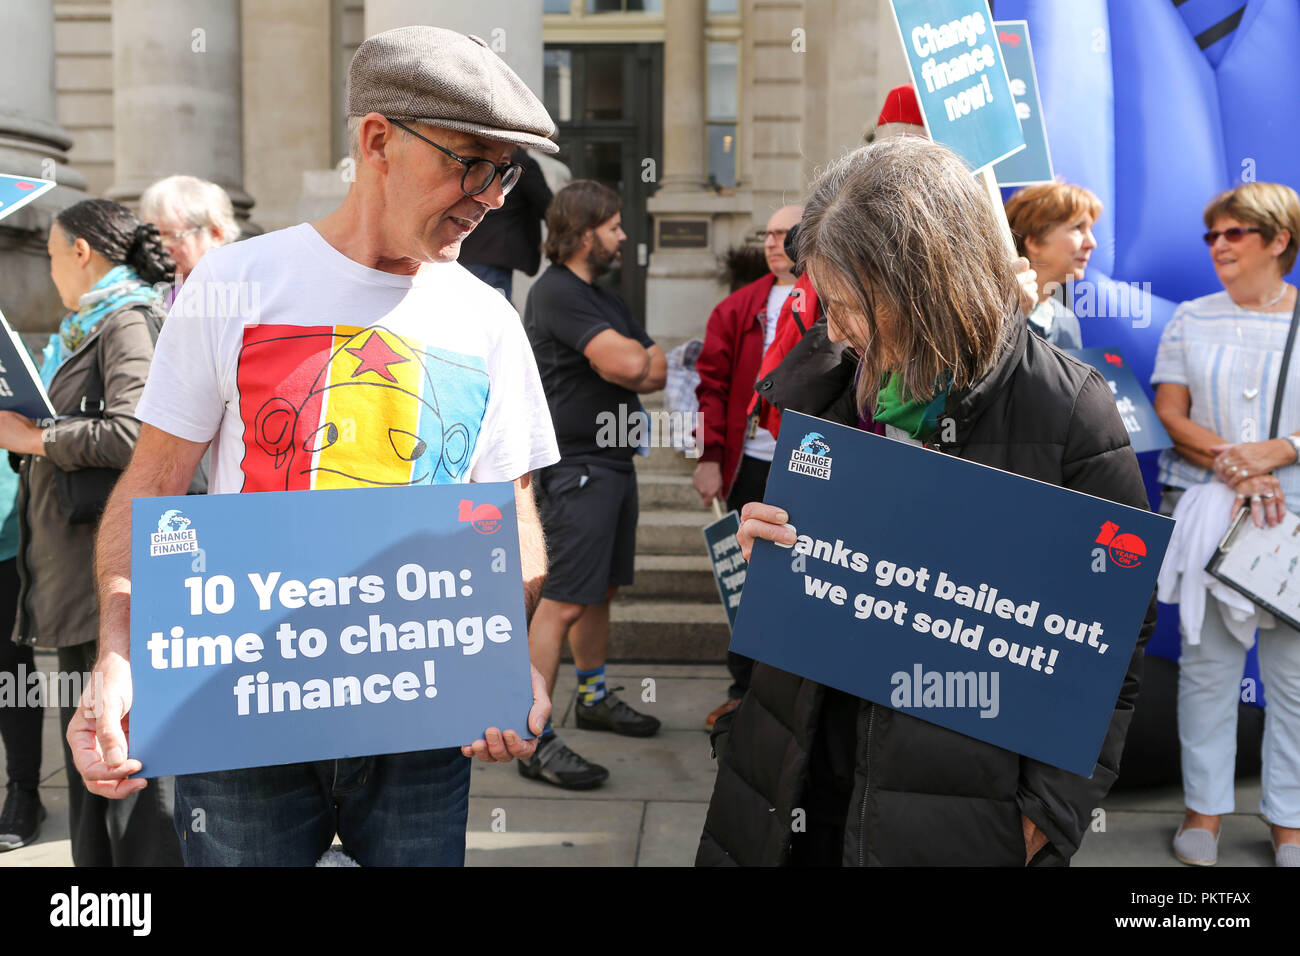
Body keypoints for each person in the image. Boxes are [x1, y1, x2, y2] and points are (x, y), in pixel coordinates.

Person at [65, 26, 560, 867]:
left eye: (505, 171)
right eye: (472, 163)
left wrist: (498, 662)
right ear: (377, 141)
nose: (493, 195)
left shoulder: (489, 321)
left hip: (419, 726)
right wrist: (117, 656)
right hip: (239, 710)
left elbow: (511, 517)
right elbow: (150, 485)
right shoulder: (234, 286)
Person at [696, 137, 1156, 867]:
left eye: (849, 305)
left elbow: (1115, 629)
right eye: (827, 302)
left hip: (956, 803)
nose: (837, 328)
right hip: (797, 775)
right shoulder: (827, 381)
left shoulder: (1064, 409)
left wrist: (1049, 811)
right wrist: (772, 546)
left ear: (925, 285)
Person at [0, 198, 180, 865]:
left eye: (51, 257)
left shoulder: (127, 321)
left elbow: (137, 434)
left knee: (121, 764)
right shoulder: (90, 326)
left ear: (83, 253)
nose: (49, 273)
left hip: (103, 567)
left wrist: (38, 438)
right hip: (75, 568)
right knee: (94, 763)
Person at [1150, 181, 1300, 868]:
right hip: (1211, 514)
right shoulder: (1190, 317)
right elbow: (1172, 415)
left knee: (1294, 679)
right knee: (1207, 670)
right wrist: (1239, 466)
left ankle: (1289, 822)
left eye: (1235, 233)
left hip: (1292, 521)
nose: (1219, 246)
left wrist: (1283, 451)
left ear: (1278, 240)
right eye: (1212, 235)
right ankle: (1202, 814)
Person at [521, 179, 666, 789]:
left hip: (611, 461)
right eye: (613, 227)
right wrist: (637, 361)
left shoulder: (601, 297)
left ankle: (595, 697)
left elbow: (655, 366)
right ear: (584, 234)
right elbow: (636, 364)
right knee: (564, 599)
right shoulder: (557, 292)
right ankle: (531, 736)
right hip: (576, 467)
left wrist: (639, 362)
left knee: (599, 591)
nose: (623, 236)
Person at [694, 204, 803, 727]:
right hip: (751, 467)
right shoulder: (737, 308)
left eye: (786, 233)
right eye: (769, 234)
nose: (773, 242)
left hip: (810, 469)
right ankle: (743, 691)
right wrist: (710, 456)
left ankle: (796, 694)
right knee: (744, 581)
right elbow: (710, 387)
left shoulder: (837, 301)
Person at [1005, 182, 1103, 350]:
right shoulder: (989, 314)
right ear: (1034, 241)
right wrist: (1007, 322)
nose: (1092, 243)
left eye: (1091, 229)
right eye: (1078, 227)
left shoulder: (1068, 323)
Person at [458, 147, 553, 300]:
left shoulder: (483, 151)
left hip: (471, 249)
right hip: (493, 254)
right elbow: (548, 206)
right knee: (490, 314)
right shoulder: (523, 162)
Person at [138, 174, 240, 287]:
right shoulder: (145, 292)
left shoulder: (241, 289)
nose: (160, 247)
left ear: (215, 234)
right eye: (153, 237)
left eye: (172, 237)